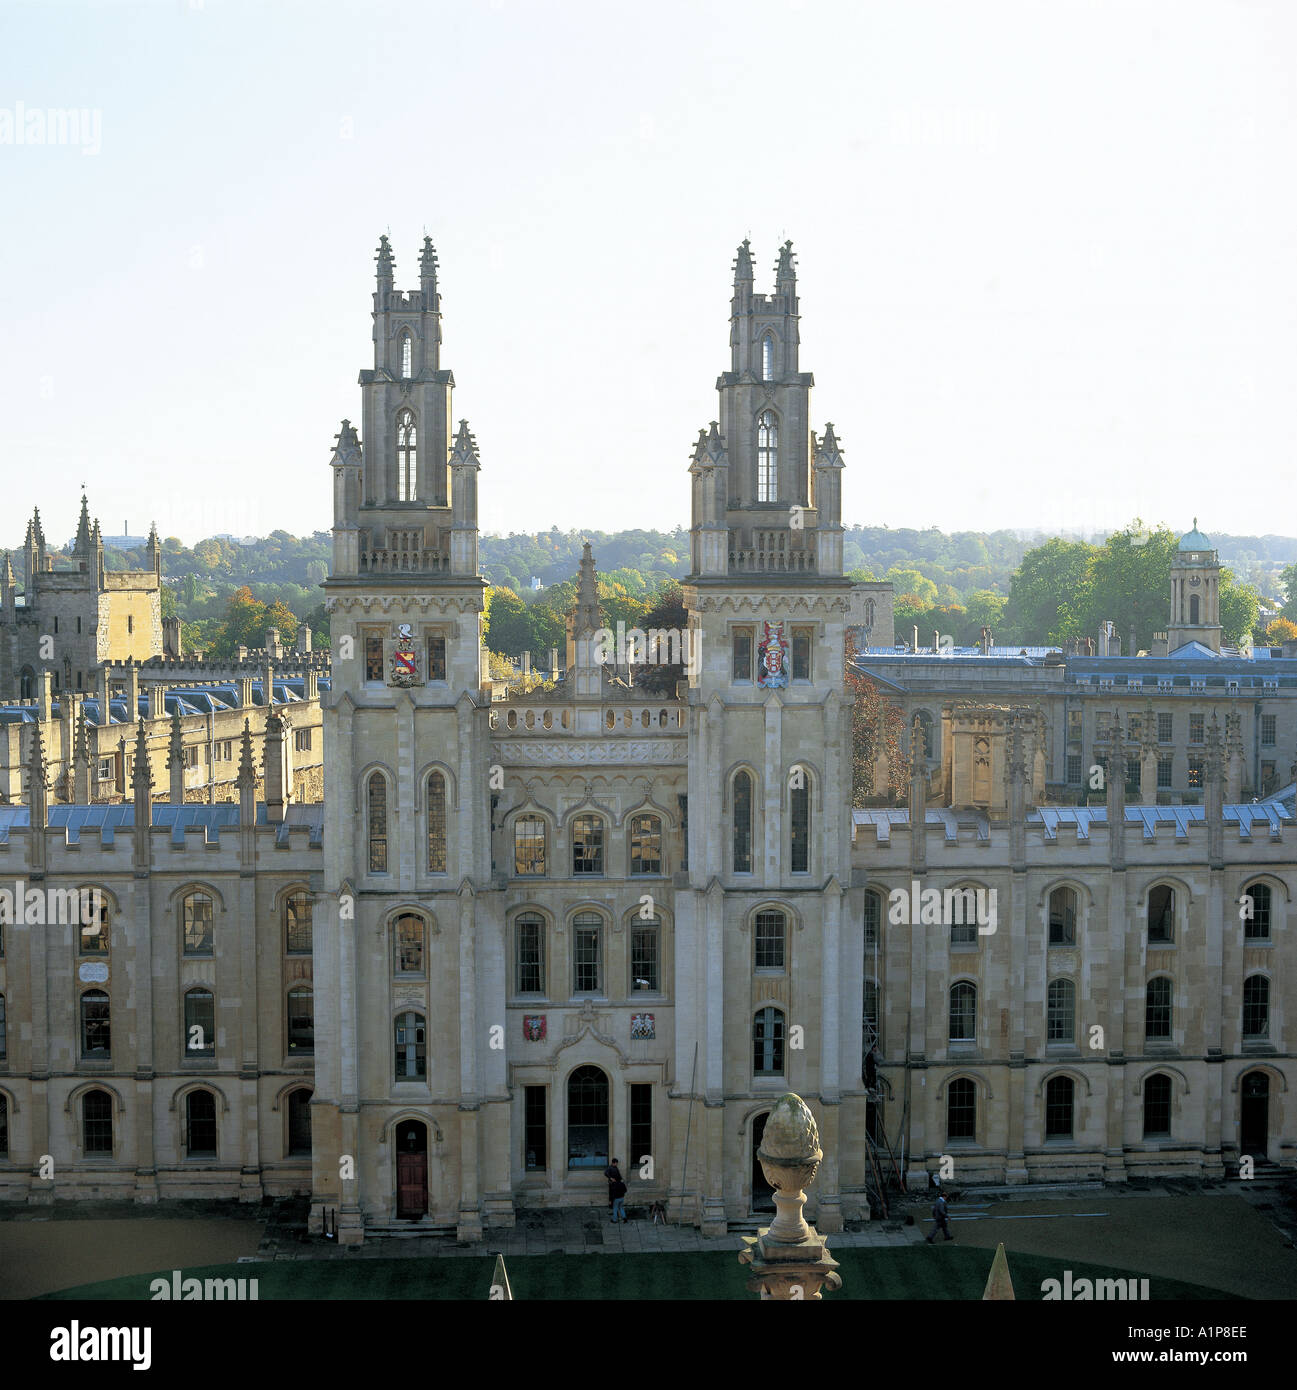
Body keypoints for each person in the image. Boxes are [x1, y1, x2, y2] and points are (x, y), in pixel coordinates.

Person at [604, 1159, 627, 1223]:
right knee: (621, 1207)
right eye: (616, 1163)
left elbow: (611, 1193)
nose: (617, 1164)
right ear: (613, 1163)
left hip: (616, 1197)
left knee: (615, 1208)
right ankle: (624, 1218)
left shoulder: (613, 1186)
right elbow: (605, 1173)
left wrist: (610, 1200)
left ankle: (614, 1220)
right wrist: (611, 1178)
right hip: (621, 1197)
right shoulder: (610, 1168)